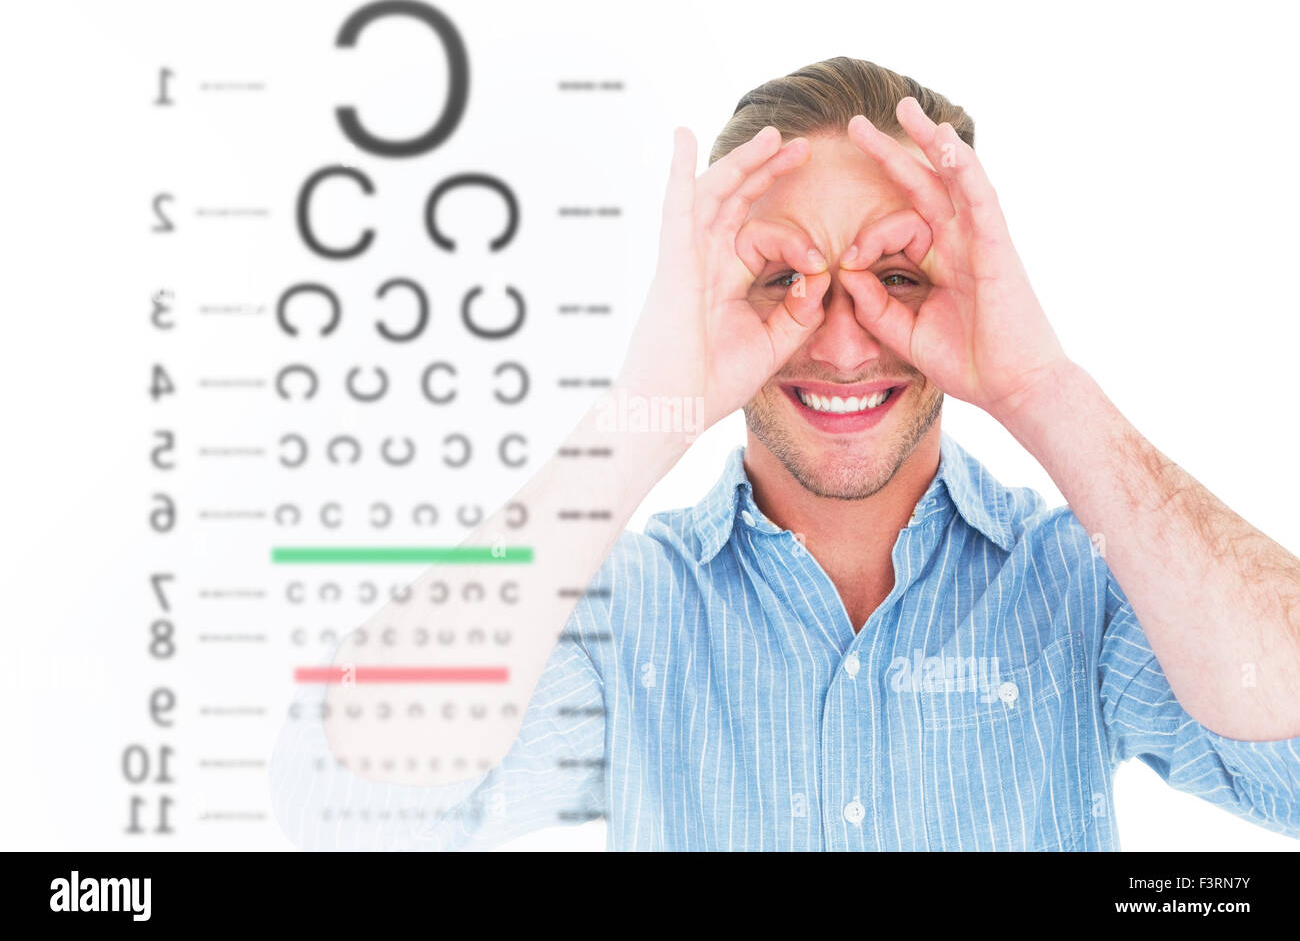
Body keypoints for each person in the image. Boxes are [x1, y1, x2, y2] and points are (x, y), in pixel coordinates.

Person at [269, 56, 1300, 851]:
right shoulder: (634, 607)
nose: (842, 341)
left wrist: (1040, 387)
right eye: (779, 279)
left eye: (897, 276)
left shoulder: (1078, 579)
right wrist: (647, 408)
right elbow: (348, 805)